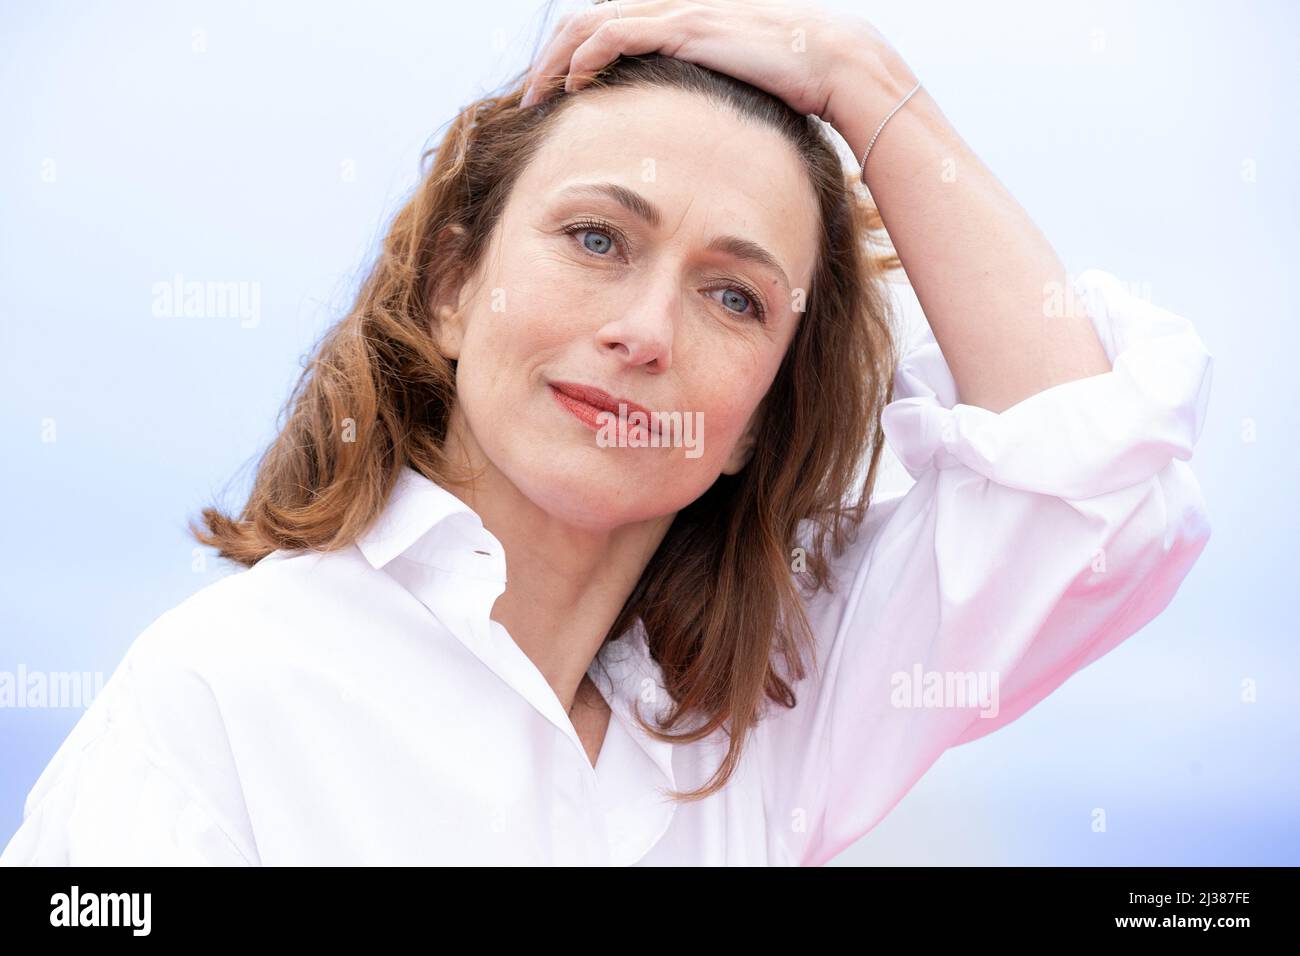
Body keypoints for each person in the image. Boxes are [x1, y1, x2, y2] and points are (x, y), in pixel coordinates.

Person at [1, 0, 1212, 866]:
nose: (645, 331)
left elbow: (1090, 489)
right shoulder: (225, 694)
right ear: (450, 290)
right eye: (596, 238)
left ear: (754, 422)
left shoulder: (765, 717)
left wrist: (858, 72)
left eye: (734, 294)